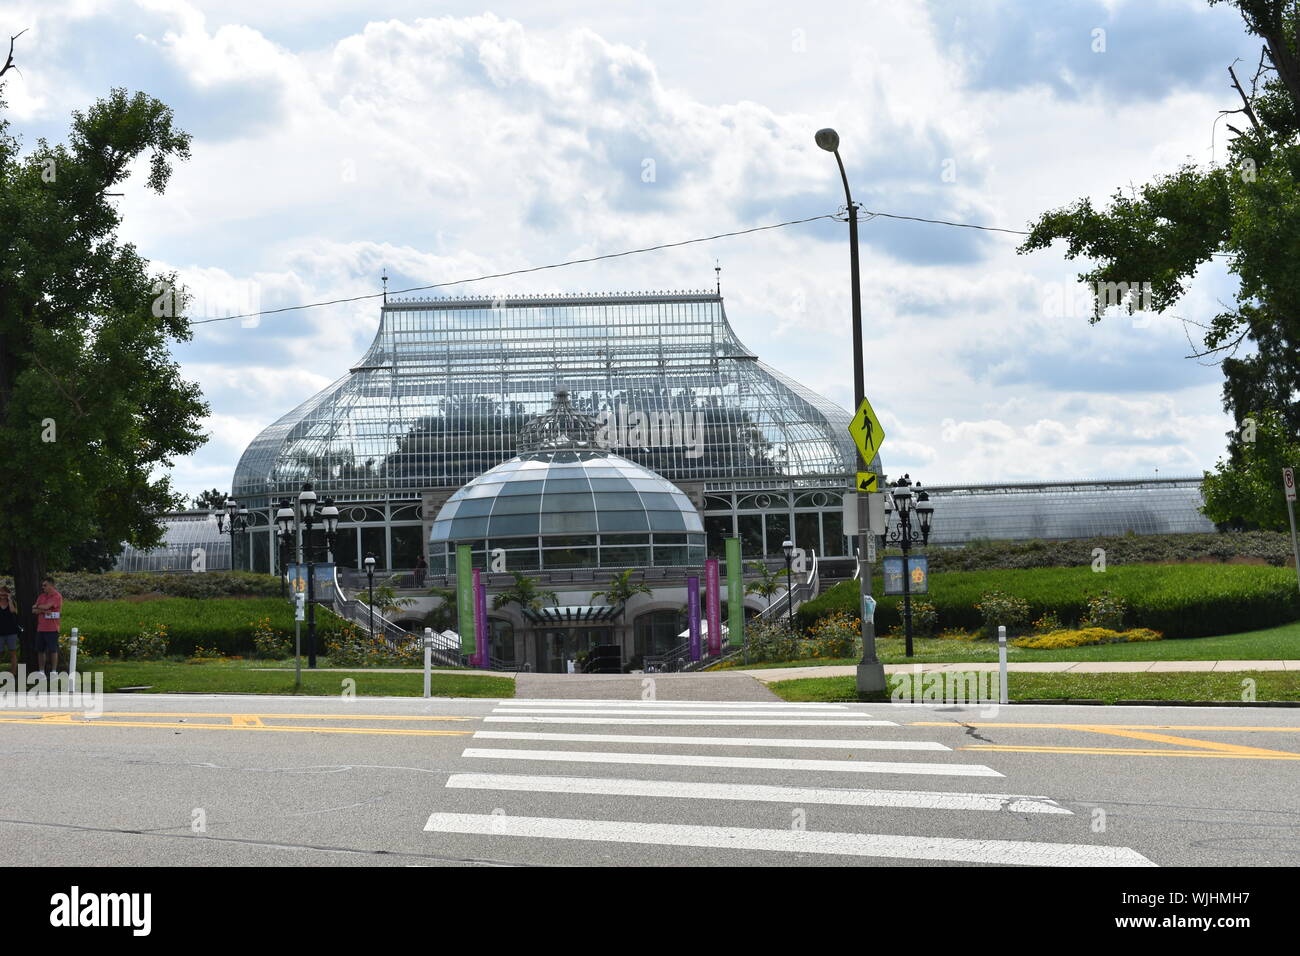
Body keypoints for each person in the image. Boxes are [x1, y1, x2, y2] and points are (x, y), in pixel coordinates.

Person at [32, 578, 63, 677]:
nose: (43, 587)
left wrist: (38, 606)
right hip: (41, 628)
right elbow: (33, 610)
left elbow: (45, 606)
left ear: (51, 586)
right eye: (43, 585)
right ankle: (41, 671)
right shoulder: (41, 596)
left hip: (52, 628)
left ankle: (54, 671)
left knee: (53, 650)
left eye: (45, 585)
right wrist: (44, 610)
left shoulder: (57, 596)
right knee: (40, 650)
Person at [0, 587, 19, 678]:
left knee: (13, 653)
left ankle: (13, 673)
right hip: (0, 633)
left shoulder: (11, 603)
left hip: (11, 632)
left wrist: (10, 599)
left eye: (4, 594)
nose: (2, 595)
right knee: (1, 652)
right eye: (1, 593)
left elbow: (12, 611)